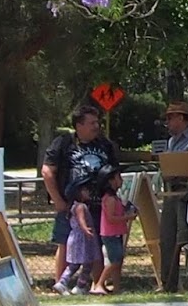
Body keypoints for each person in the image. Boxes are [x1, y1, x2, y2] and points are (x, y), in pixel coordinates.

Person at [41, 104, 119, 287]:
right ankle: (60, 285)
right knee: (65, 243)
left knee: (97, 244)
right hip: (71, 205)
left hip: (100, 204)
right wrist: (58, 200)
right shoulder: (63, 143)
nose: (96, 126)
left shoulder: (105, 145)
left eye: (97, 122)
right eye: (91, 123)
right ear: (79, 125)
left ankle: (97, 286)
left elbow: (115, 174)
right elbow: (47, 171)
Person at [53, 179, 99, 294]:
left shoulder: (75, 206)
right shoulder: (80, 207)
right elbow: (81, 220)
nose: (88, 192)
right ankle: (63, 282)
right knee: (77, 263)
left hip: (79, 238)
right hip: (82, 239)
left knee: (87, 263)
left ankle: (80, 286)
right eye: (85, 190)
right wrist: (86, 229)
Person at [93, 167, 134, 294]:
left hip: (116, 233)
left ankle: (117, 288)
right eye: (119, 178)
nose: (121, 181)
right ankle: (99, 284)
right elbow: (111, 218)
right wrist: (128, 217)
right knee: (115, 261)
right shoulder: (110, 199)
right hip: (110, 234)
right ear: (111, 181)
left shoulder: (115, 198)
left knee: (118, 261)